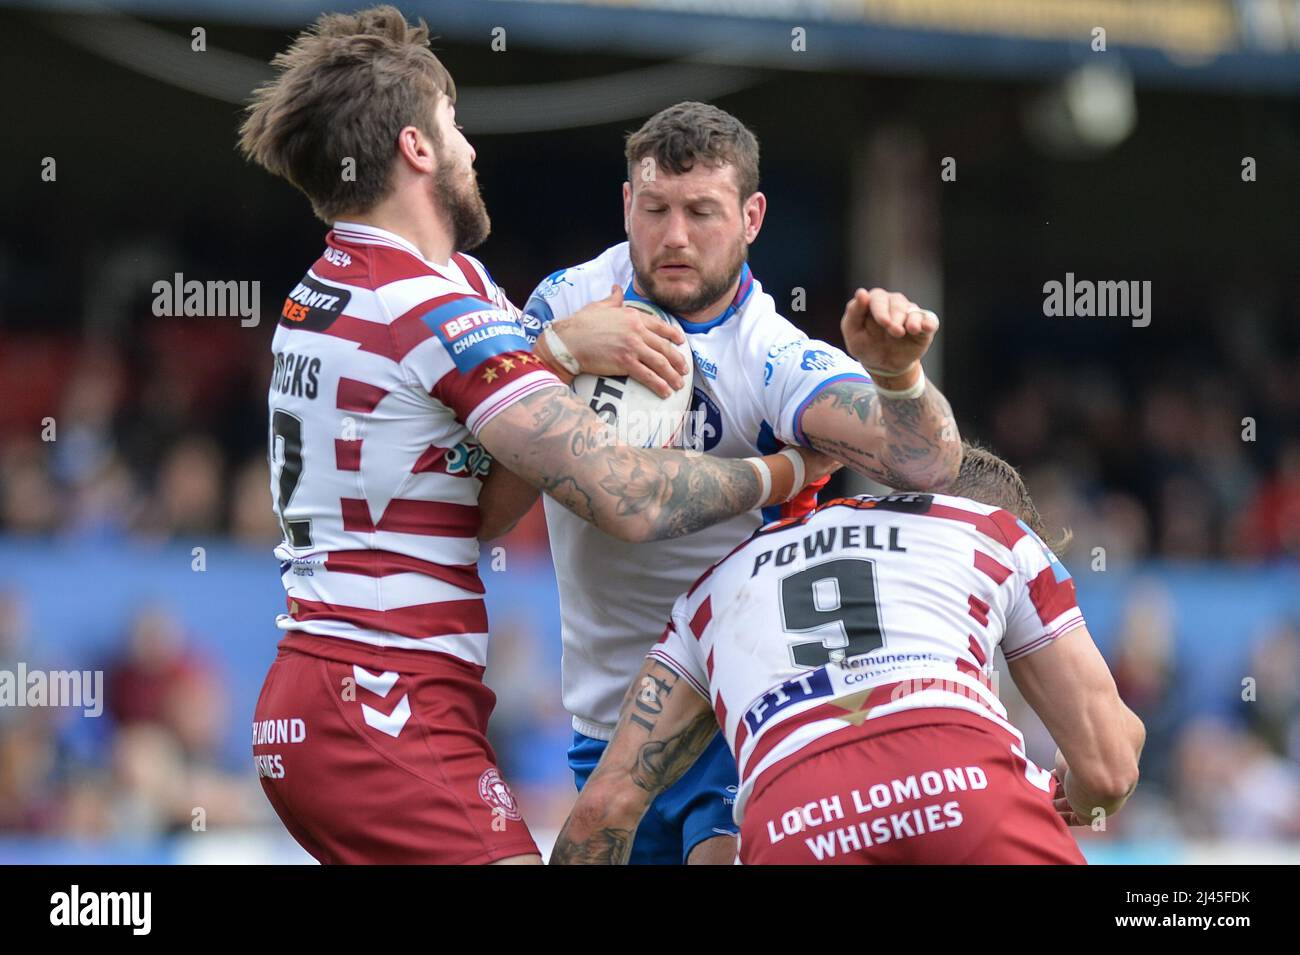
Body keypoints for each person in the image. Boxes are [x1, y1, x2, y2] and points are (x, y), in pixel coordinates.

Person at [237, 6, 829, 865]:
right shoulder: (424, 305)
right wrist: (784, 472)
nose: (472, 147)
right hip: (376, 690)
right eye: (455, 124)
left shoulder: (354, 284)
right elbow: (624, 496)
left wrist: (547, 353)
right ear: (416, 148)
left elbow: (472, 504)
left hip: (344, 690)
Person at [508, 101, 961, 863]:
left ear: (752, 217)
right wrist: (553, 351)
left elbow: (926, 463)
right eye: (654, 209)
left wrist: (900, 377)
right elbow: (528, 466)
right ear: (627, 204)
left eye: (702, 212)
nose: (675, 235)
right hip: (608, 718)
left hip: (741, 707)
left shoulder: (771, 355)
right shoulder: (569, 305)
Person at [550, 445, 1146, 864]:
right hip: (960, 780)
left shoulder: (709, 593)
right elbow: (1109, 769)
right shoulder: (993, 531)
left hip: (793, 818)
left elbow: (601, 809)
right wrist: (1073, 791)